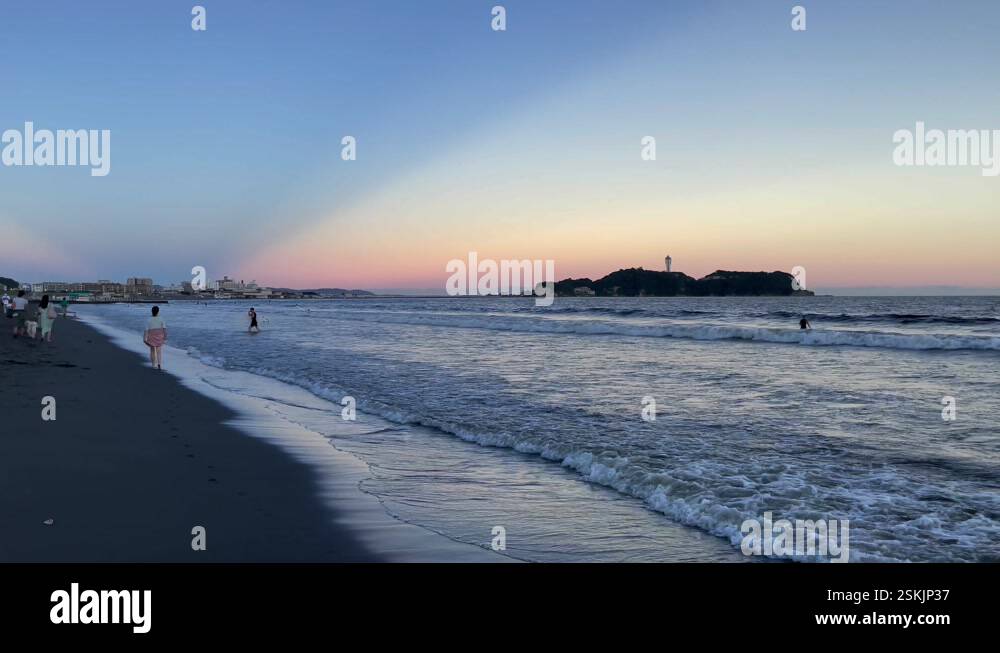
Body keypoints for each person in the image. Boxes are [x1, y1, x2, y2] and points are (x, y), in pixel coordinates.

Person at [143, 305, 167, 370]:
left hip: (151, 336)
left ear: (152, 311)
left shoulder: (148, 319)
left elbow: (146, 330)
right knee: (159, 351)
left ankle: (153, 365)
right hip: (159, 336)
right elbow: (164, 329)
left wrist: (144, 338)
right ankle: (159, 364)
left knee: (152, 350)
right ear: (158, 312)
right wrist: (165, 337)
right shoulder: (161, 318)